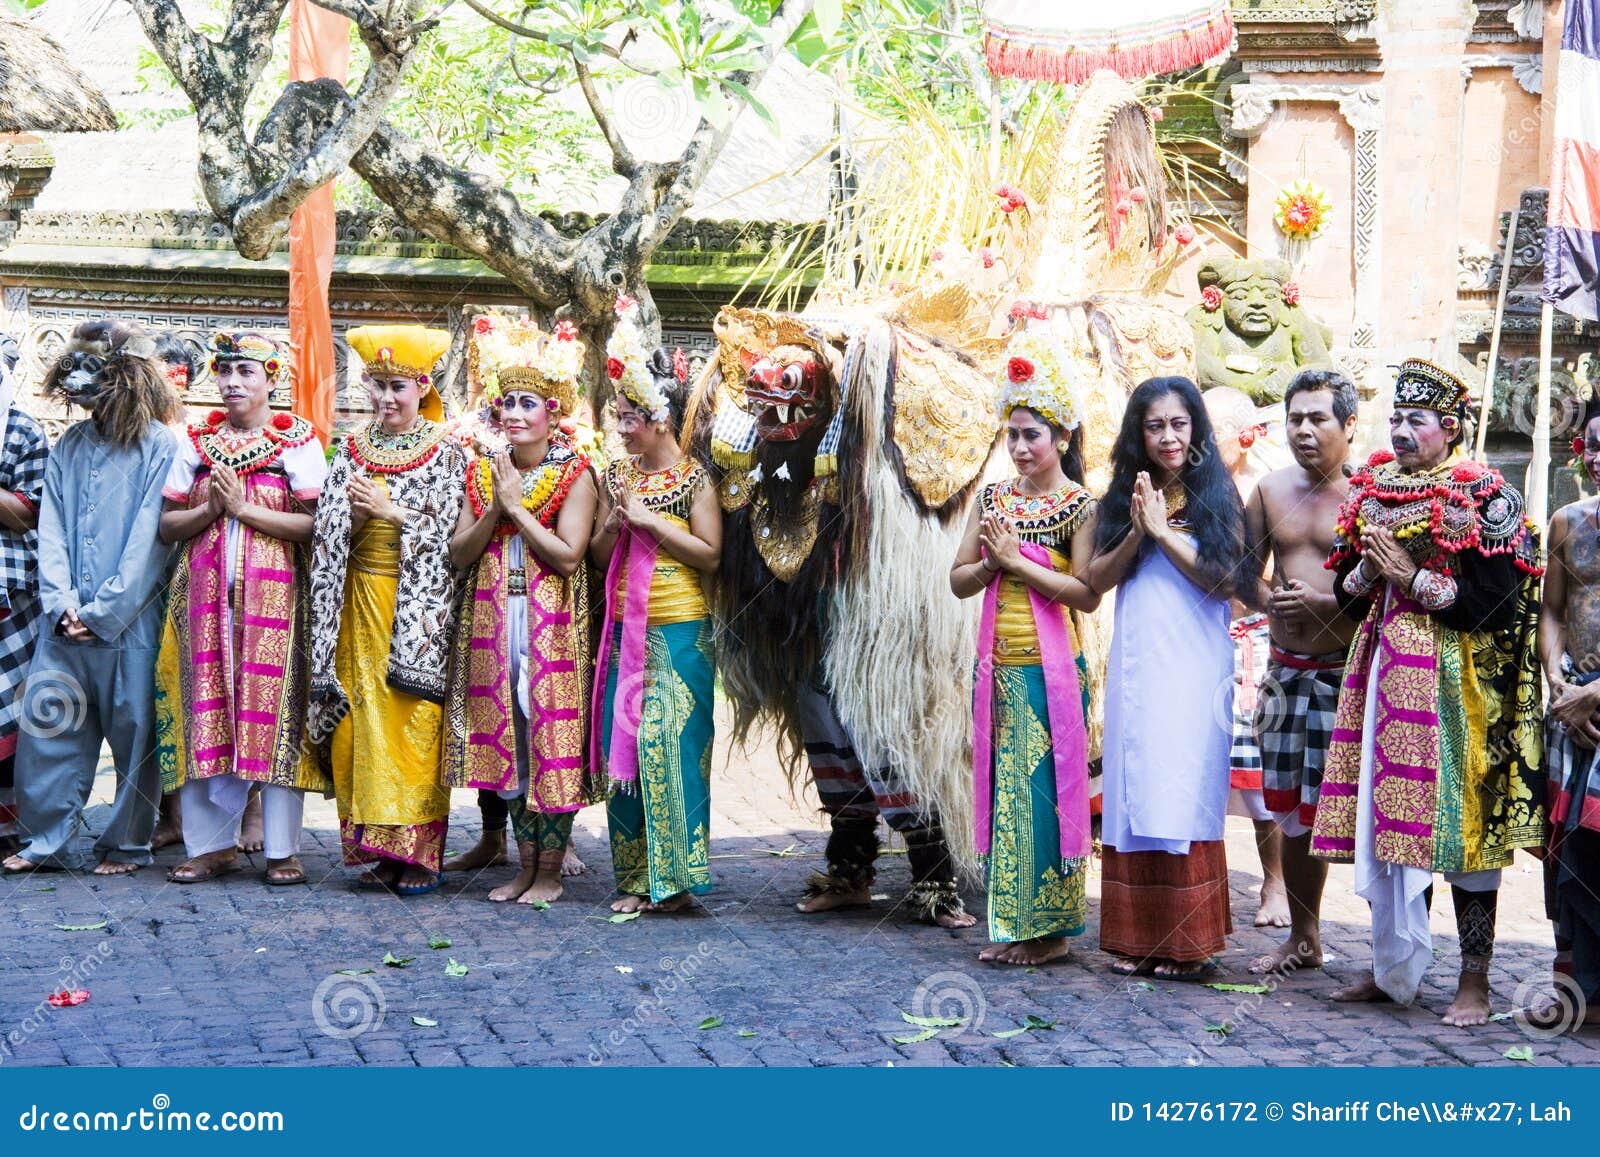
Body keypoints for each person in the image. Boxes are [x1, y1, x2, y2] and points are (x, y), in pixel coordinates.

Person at [1314, 358, 1544, 1027]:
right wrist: (1367, 575)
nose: (1403, 430)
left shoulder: (1485, 494)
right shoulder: (1373, 488)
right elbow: (1346, 597)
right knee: (1380, 824)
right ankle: (1393, 966)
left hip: (1458, 686)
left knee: (1462, 830)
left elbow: (1496, 605)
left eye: (1417, 419)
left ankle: (1474, 978)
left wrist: (1413, 580)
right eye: (1396, 417)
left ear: (1449, 427)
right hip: (1383, 671)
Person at [2, 320, 180, 875]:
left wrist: (103, 612)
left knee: (134, 733)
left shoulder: (160, 446)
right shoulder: (70, 445)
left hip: (131, 624)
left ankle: (126, 844)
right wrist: (62, 605)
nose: (79, 382)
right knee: (49, 728)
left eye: (93, 370)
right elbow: (48, 529)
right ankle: (44, 840)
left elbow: (151, 541)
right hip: (66, 624)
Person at [154, 332, 326, 886]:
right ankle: (211, 846)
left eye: (245, 371)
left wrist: (245, 511)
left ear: (271, 379)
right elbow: (166, 524)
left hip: (276, 599)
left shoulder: (296, 441)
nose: (231, 381)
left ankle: (282, 850)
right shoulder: (196, 442)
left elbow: (315, 527)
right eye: (224, 370)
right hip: (204, 599)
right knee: (205, 708)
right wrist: (211, 509)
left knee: (274, 712)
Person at [1093, 375, 1249, 979]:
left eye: (1179, 424)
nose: (1167, 437)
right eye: (1154, 425)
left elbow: (1228, 580)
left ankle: (1190, 946)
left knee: (1183, 784)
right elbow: (1096, 582)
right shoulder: (1123, 495)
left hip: (1194, 666)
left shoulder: (1218, 492)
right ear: (1139, 433)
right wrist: (1137, 530)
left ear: (1197, 429)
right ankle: (1140, 941)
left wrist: (1162, 533)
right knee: (1136, 787)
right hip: (1137, 663)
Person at [951, 331, 1099, 965]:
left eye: (1031, 435)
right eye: (1011, 435)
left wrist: (1017, 561)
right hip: (999, 668)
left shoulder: (1080, 507)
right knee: (1006, 792)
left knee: (1046, 791)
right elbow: (958, 581)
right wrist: (991, 565)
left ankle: (1054, 931)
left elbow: (1086, 592)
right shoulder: (991, 500)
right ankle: (1014, 925)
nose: (1018, 448)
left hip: (1054, 670)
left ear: (1061, 437)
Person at [444, 314, 599, 904]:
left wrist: (518, 508)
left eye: (526, 403)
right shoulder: (482, 471)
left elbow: (567, 556)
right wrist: (493, 510)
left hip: (549, 624)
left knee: (546, 738)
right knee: (505, 735)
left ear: (552, 413)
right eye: (504, 402)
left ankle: (551, 872)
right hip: (492, 619)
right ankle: (524, 866)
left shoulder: (576, 475)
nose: (511, 412)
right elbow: (460, 553)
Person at [307, 325, 465, 896]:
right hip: (352, 603)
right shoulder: (349, 446)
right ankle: (373, 846)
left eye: (398, 386)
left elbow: (454, 538)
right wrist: (347, 519)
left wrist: (393, 513)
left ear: (423, 385)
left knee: (409, 724)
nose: (387, 398)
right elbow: (325, 528)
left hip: (414, 610)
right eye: (378, 386)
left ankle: (418, 855)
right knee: (355, 728)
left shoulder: (448, 451)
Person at [591, 298, 720, 914]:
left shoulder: (696, 480)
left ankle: (678, 879)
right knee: (629, 746)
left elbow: (710, 555)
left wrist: (648, 521)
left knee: (674, 748)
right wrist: (620, 523)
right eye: (618, 417)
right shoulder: (619, 476)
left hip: (680, 629)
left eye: (630, 419)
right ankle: (636, 876)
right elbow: (594, 554)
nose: (621, 429)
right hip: (625, 628)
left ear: (661, 421)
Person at [1242, 369, 1359, 973]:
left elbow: (1390, 592)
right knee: (1291, 808)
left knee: (1363, 803)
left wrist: (1327, 604)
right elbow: (1240, 575)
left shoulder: (1372, 496)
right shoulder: (1269, 490)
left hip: (1353, 672)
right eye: (1295, 419)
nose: (1305, 430)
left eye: (1319, 419)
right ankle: (1304, 937)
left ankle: (1387, 941)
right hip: (1287, 674)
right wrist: (1272, 603)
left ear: (1349, 426)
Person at [1204, 384, 1288, 928]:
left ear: (1247, 436)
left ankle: (1276, 887)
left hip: (1257, 640)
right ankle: (1204, 887)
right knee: (1202, 765)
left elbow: (1274, 580)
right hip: (1201, 642)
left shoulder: (1266, 493)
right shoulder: (1188, 494)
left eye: (1211, 434)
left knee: (1261, 773)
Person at [1537, 394, 1600, 1024]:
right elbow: (1551, 611)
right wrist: (1560, 688)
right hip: (1572, 706)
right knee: (1568, 849)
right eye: (1596, 446)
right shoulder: (1567, 521)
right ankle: (1582, 989)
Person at [0, 336, 48, 860]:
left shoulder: (21, 430)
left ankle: (10, 825)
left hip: (10, 591)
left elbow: (29, 511)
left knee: (12, 713)